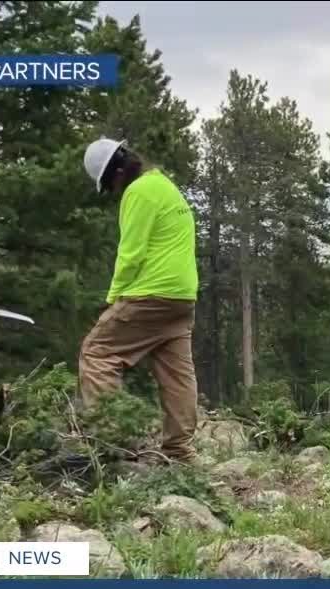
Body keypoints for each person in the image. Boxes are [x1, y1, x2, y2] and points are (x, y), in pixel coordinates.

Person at [79, 138, 199, 463]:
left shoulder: (138, 192)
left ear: (117, 173)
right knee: (176, 372)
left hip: (150, 293)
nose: (113, 191)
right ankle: (180, 452)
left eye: (109, 185)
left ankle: (111, 446)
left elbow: (131, 254)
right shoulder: (165, 186)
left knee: (97, 353)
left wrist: (113, 298)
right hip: (181, 296)